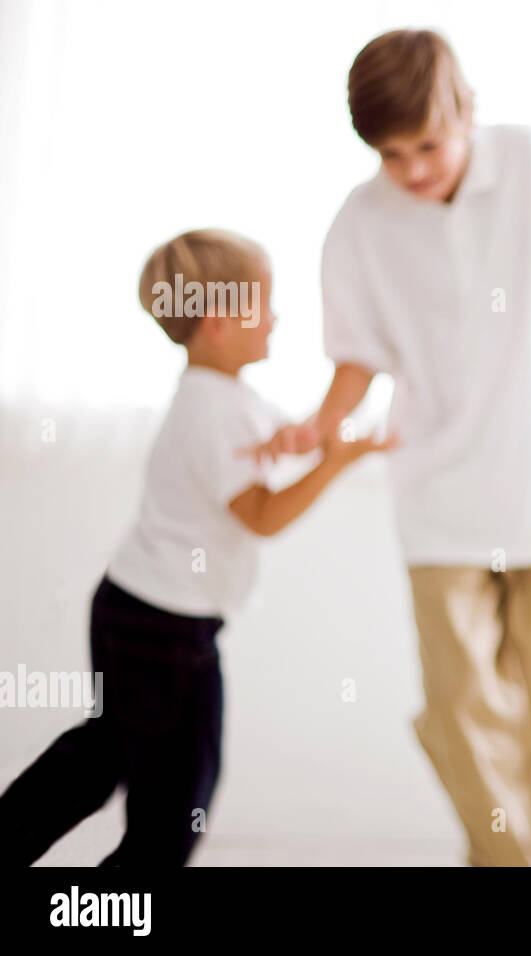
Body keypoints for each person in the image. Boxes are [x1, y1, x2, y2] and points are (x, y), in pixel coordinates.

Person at [251, 29, 531, 866]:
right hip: (437, 487)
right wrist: (316, 427)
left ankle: (515, 854)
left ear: (467, 110)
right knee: (457, 706)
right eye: (391, 154)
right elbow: (359, 359)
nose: (411, 170)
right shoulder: (358, 224)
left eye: (428, 145)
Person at [0, 229, 392, 865]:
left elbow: (265, 440)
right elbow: (262, 516)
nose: (276, 317)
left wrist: (305, 439)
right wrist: (337, 464)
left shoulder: (218, 395)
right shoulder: (216, 412)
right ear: (218, 322)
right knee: (176, 799)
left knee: (104, 755)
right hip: (166, 634)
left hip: (134, 610)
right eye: (263, 304)